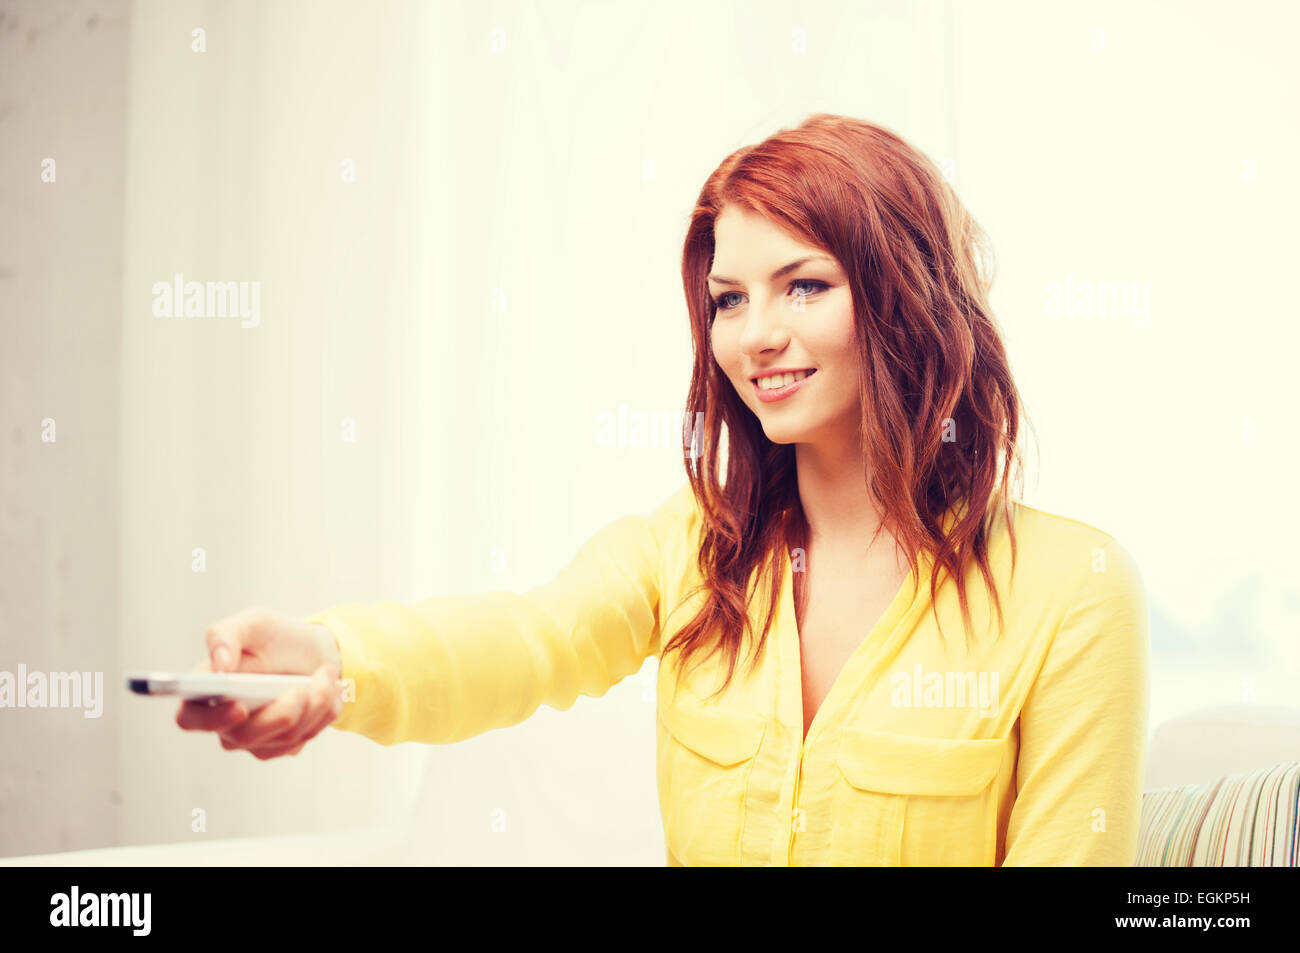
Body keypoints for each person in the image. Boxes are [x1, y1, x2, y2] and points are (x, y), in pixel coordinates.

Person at [177, 113, 1149, 866]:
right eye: (729, 299)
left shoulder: (1070, 589)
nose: (754, 334)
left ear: (904, 293)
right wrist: (331, 658)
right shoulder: (685, 547)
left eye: (804, 285)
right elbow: (524, 640)